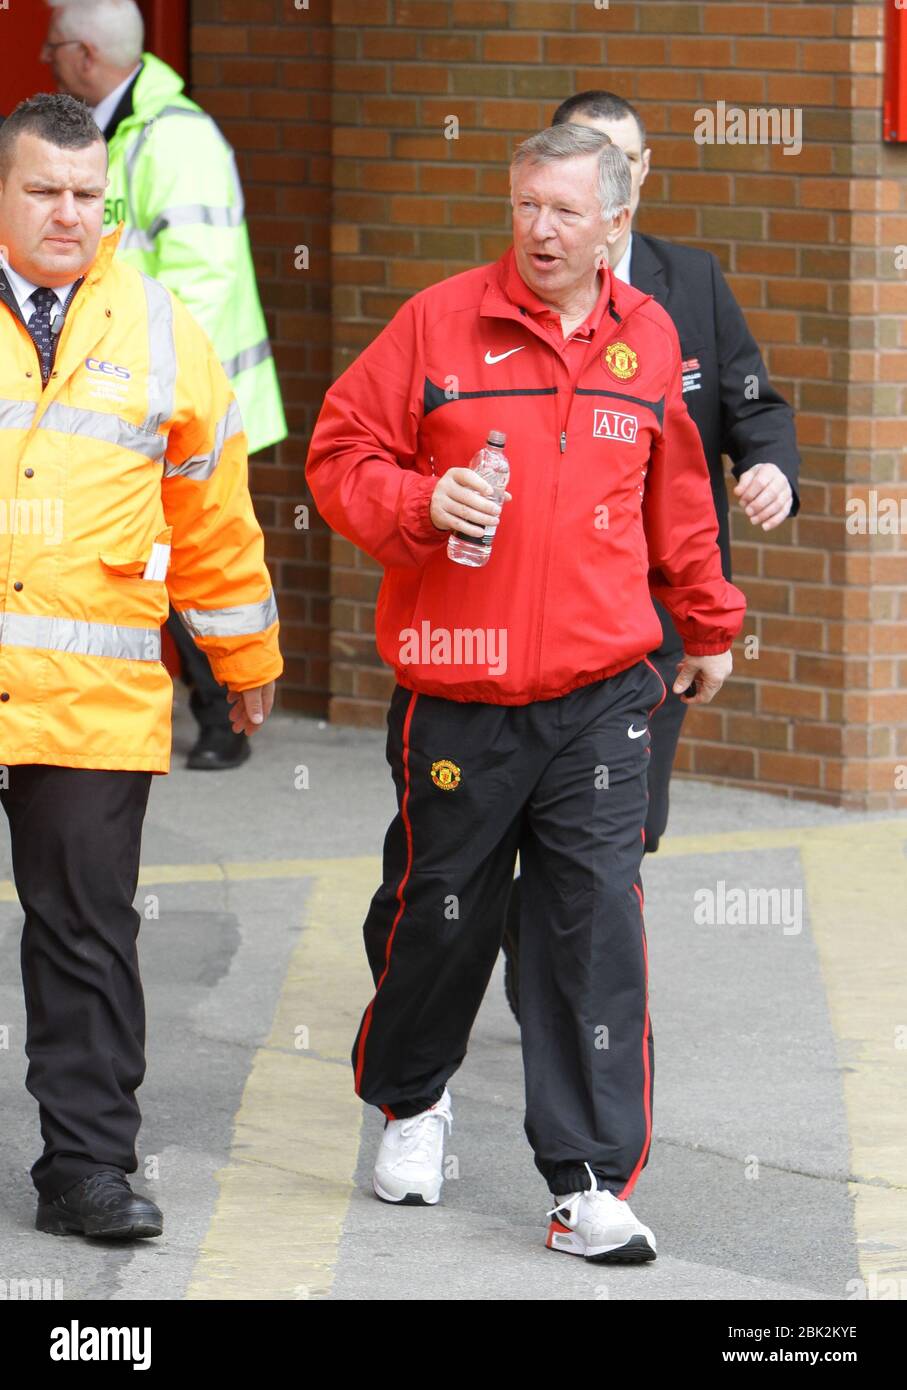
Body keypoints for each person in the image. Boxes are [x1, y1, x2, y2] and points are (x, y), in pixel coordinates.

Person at [306, 123, 746, 1263]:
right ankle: (411, 1098)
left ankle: (588, 1180)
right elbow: (340, 454)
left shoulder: (647, 342)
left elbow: (677, 504)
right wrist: (419, 505)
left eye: (562, 211)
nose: (539, 230)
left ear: (614, 221)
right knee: (440, 916)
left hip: (602, 693)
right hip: (458, 689)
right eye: (522, 208)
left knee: (591, 925)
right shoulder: (438, 323)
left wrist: (708, 625)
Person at [0, 93, 282, 1238]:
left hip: (89, 692)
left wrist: (244, 651)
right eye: (44, 192)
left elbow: (212, 511)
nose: (71, 215)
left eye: (88, 196)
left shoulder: (161, 326)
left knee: (84, 933)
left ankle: (87, 1169)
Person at [500, 92, 802, 1020]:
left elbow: (754, 405)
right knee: (539, 831)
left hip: (651, 620)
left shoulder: (691, 283)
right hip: (534, 621)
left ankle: (571, 983)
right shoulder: (512, 290)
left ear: (635, 184)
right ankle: (558, 989)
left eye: (618, 161)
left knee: (625, 825)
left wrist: (770, 472)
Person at [42, 0, 288, 770]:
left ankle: (223, 719)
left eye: (52, 48)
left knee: (185, 551)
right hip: (119, 391)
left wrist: (160, 397)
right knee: (151, 551)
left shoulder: (172, 135)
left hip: (168, 397)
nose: (45, 61)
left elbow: (203, 278)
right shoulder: (112, 131)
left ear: (83, 54)